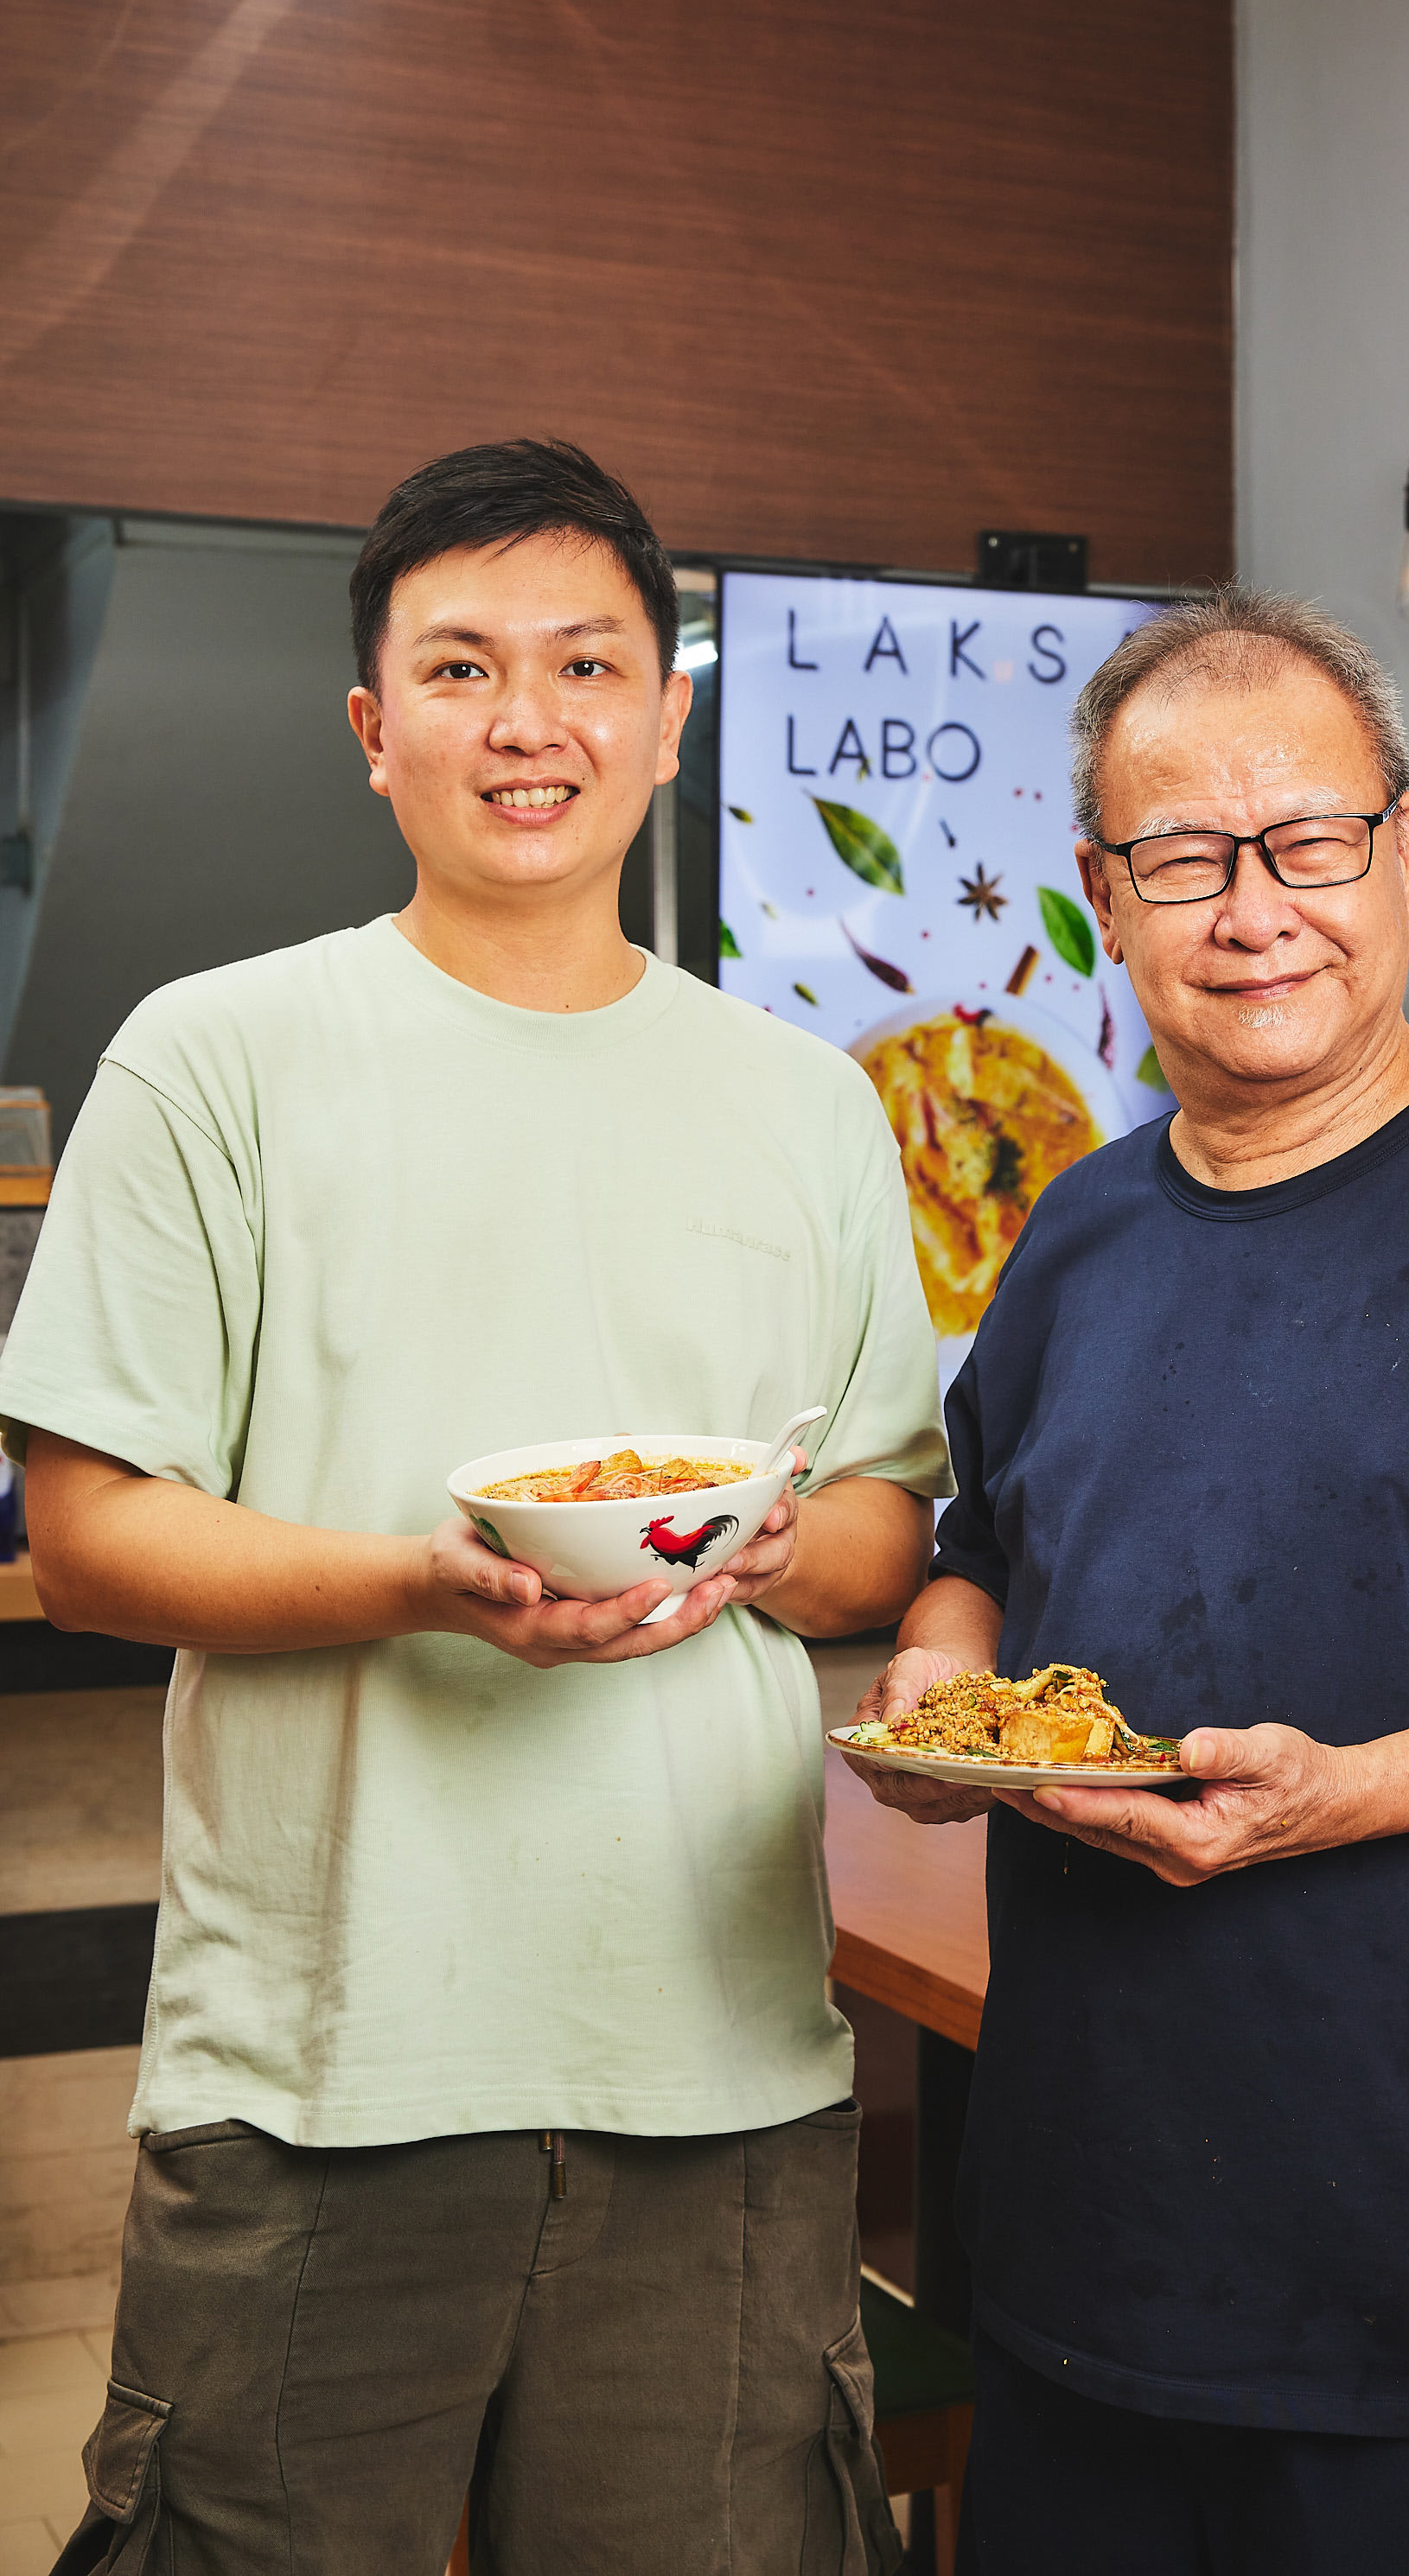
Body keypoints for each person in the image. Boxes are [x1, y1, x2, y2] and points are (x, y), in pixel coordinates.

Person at [4, 438, 946, 2576]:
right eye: (459, 667)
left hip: (713, 2063)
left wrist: (765, 1542)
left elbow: (888, 1522)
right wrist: (426, 1589)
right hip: (324, 2069)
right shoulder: (213, 1058)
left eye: (586, 664)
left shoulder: (806, 1104)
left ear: (668, 716)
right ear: (371, 729)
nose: (527, 721)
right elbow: (82, 1536)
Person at [851, 587, 1409, 2576]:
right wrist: (939, 1688)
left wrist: (1346, 1794)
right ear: (1105, 895)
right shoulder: (1074, 1233)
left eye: (1307, 842)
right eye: (1182, 857)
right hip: (1082, 2252)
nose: (1252, 907)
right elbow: (974, 1558)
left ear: (1400, 853)